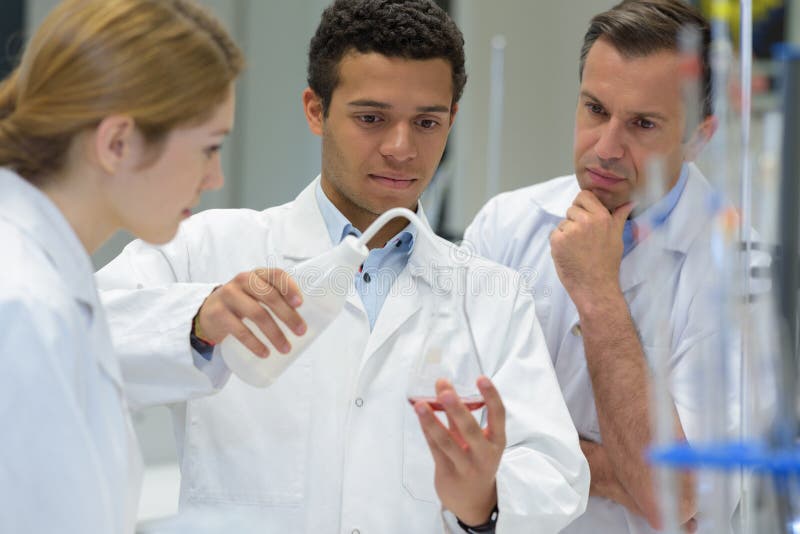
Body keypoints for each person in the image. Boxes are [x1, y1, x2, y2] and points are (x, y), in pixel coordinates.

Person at [96, 0, 590, 532]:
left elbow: (556, 474)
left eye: (427, 121)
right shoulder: (207, 250)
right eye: (371, 118)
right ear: (315, 109)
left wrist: (486, 499)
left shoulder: (490, 294)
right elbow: (78, 339)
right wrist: (198, 319)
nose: (401, 149)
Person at [0, 1, 285, 533]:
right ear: (117, 143)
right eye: (208, 148)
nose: (215, 177)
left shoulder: (44, 276)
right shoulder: (22, 303)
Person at [464, 1, 739, 533]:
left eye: (642, 124)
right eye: (595, 109)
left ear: (700, 136)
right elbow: (452, 440)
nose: (606, 148)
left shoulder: (736, 272)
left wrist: (596, 291)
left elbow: (671, 498)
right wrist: (622, 470)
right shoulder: (504, 227)